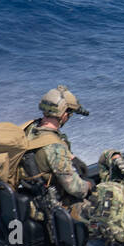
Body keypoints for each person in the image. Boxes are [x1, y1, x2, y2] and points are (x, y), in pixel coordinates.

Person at [23, 86, 94, 216]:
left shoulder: (29, 128)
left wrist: (71, 157)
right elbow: (74, 188)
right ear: (63, 114)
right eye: (69, 114)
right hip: (51, 204)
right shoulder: (55, 147)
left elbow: (42, 147)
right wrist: (89, 185)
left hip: (31, 192)